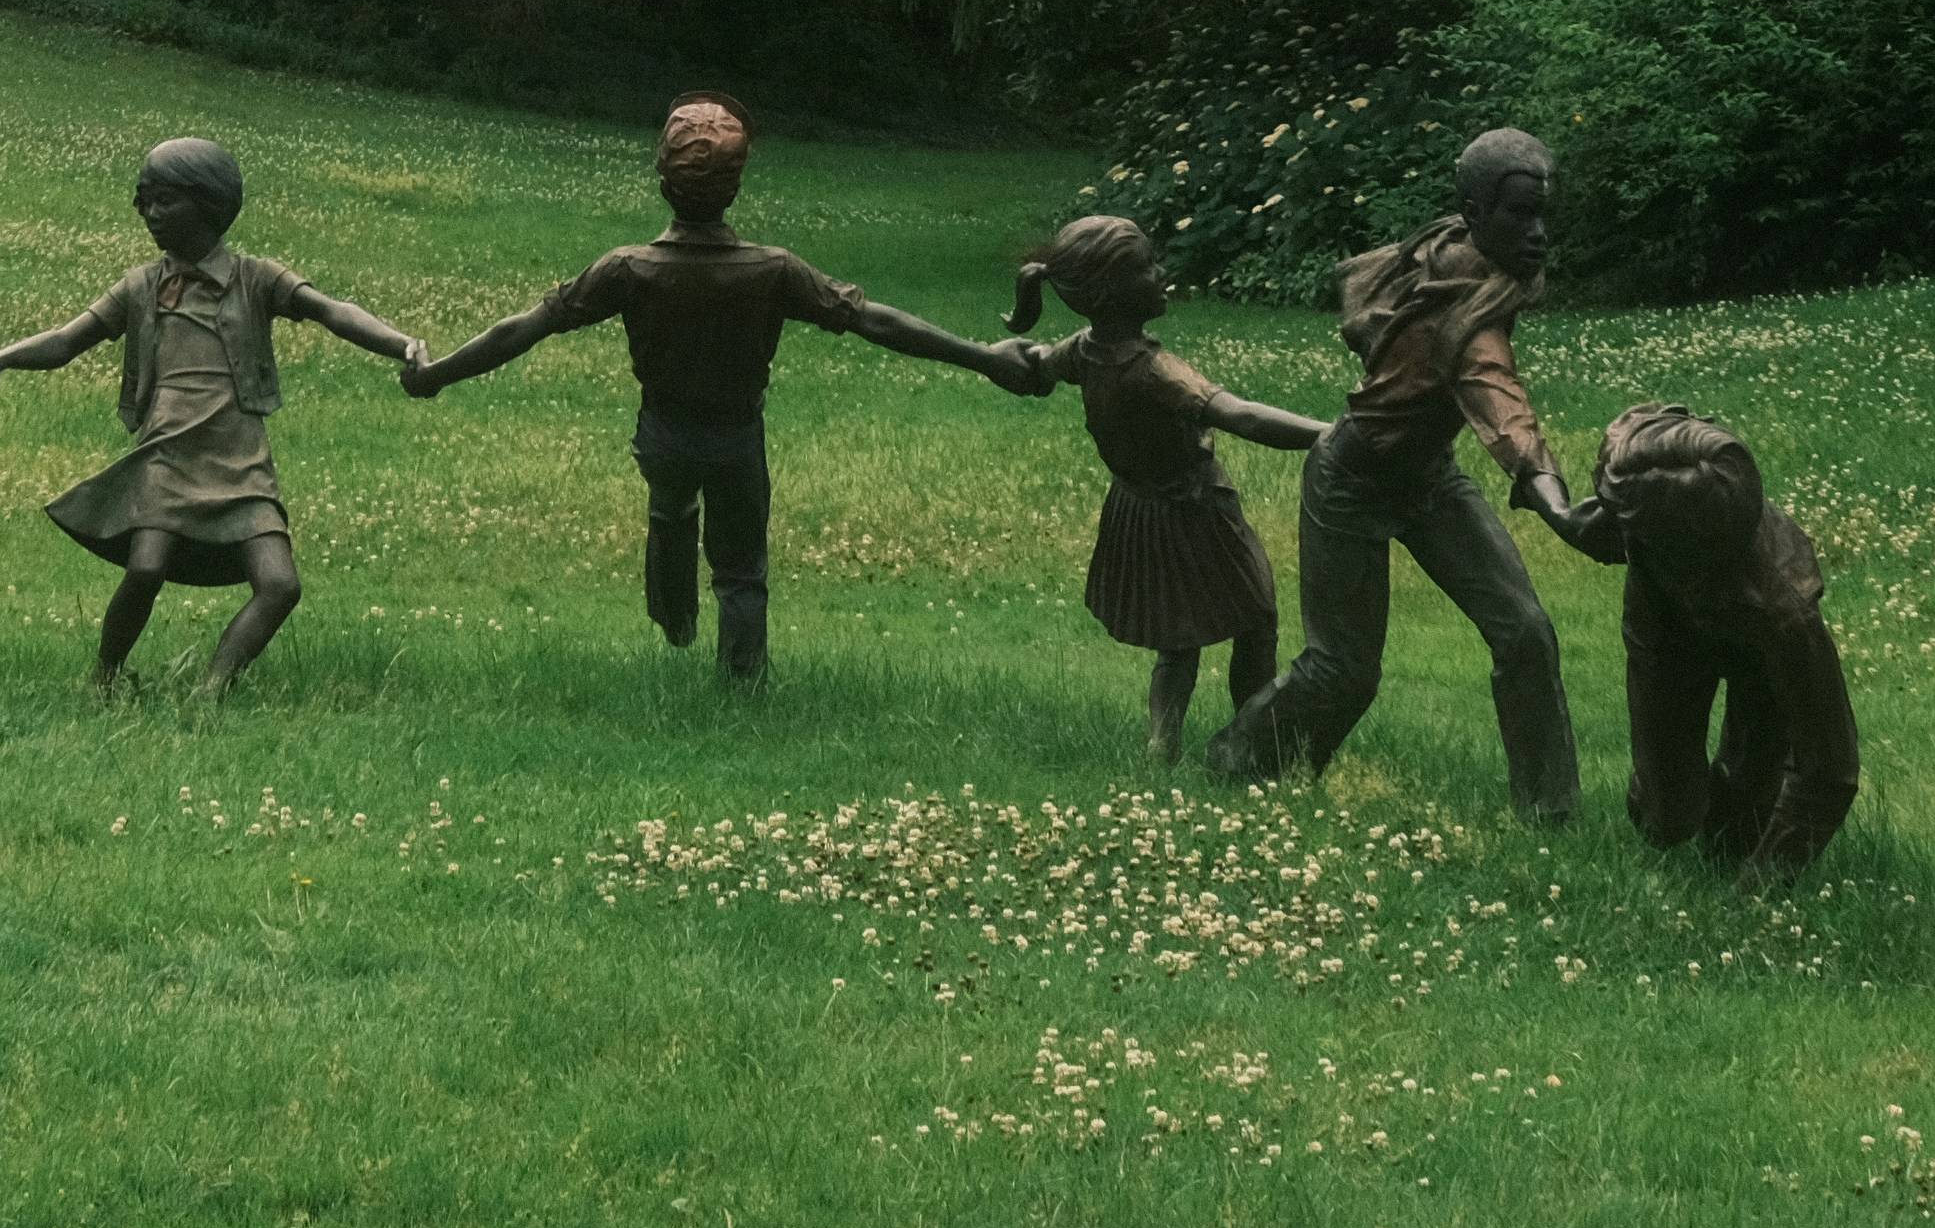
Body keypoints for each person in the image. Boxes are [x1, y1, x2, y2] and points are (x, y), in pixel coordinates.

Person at [406, 96, 1050, 681]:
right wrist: (983, 358)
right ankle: (742, 681)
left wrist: (439, 373)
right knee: (742, 569)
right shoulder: (771, 271)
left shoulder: (628, 268)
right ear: (736, 190)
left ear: (663, 184)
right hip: (737, 436)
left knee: (669, 508)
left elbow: (526, 328)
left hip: (663, 430)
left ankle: (675, 619)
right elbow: (876, 321)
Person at [1203, 127, 1583, 819]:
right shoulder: (1464, 322)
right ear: (1473, 216)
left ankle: (1549, 812)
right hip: (1350, 480)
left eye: (1541, 214)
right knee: (1345, 670)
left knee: (1525, 632)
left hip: (1428, 480)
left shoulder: (1454, 250)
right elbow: (1505, 413)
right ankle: (1237, 760)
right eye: (1518, 215)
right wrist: (1560, 510)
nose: (1537, 234)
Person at [0, 138, 430, 696]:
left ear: (208, 203)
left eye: (165, 201)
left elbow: (330, 309)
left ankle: (213, 689)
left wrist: (401, 343)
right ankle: (104, 678)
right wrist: (1, 357)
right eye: (144, 202)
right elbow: (68, 340)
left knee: (279, 584)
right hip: (166, 451)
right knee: (145, 567)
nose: (151, 214)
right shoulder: (140, 287)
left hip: (239, 455)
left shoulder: (256, 278)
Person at [999, 213, 1328, 757]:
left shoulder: (1085, 350)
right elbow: (1240, 416)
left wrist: (1014, 357)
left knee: (1178, 640)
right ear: (1110, 292)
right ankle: (1252, 740)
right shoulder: (1156, 371)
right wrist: (1333, 434)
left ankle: (1163, 744)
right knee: (1257, 616)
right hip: (1198, 512)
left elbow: (1040, 368)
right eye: (1148, 266)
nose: (1162, 273)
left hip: (1138, 511)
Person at [1525, 400, 1862, 868]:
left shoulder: (1784, 610)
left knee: (1745, 802)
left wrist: (1761, 892)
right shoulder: (1646, 514)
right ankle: (1686, 814)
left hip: (1758, 652)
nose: (1631, 541)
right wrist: (1535, 476)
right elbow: (1585, 526)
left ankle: (1732, 835)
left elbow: (1830, 773)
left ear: (1690, 546)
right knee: (1664, 815)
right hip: (1666, 635)